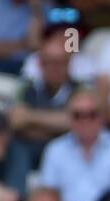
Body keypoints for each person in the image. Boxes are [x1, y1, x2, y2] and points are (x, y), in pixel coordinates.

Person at [37, 89, 110, 201]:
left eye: (91, 114)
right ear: (69, 117)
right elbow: (48, 197)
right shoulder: (55, 150)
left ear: (103, 116)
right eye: (78, 115)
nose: (85, 120)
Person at [10, 31, 77, 162]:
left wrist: (30, 118)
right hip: (29, 155)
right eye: (48, 62)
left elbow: (74, 121)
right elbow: (16, 121)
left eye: (59, 62)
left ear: (69, 64)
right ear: (40, 64)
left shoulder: (80, 88)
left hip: (69, 158)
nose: (53, 68)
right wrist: (58, 129)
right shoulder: (27, 88)